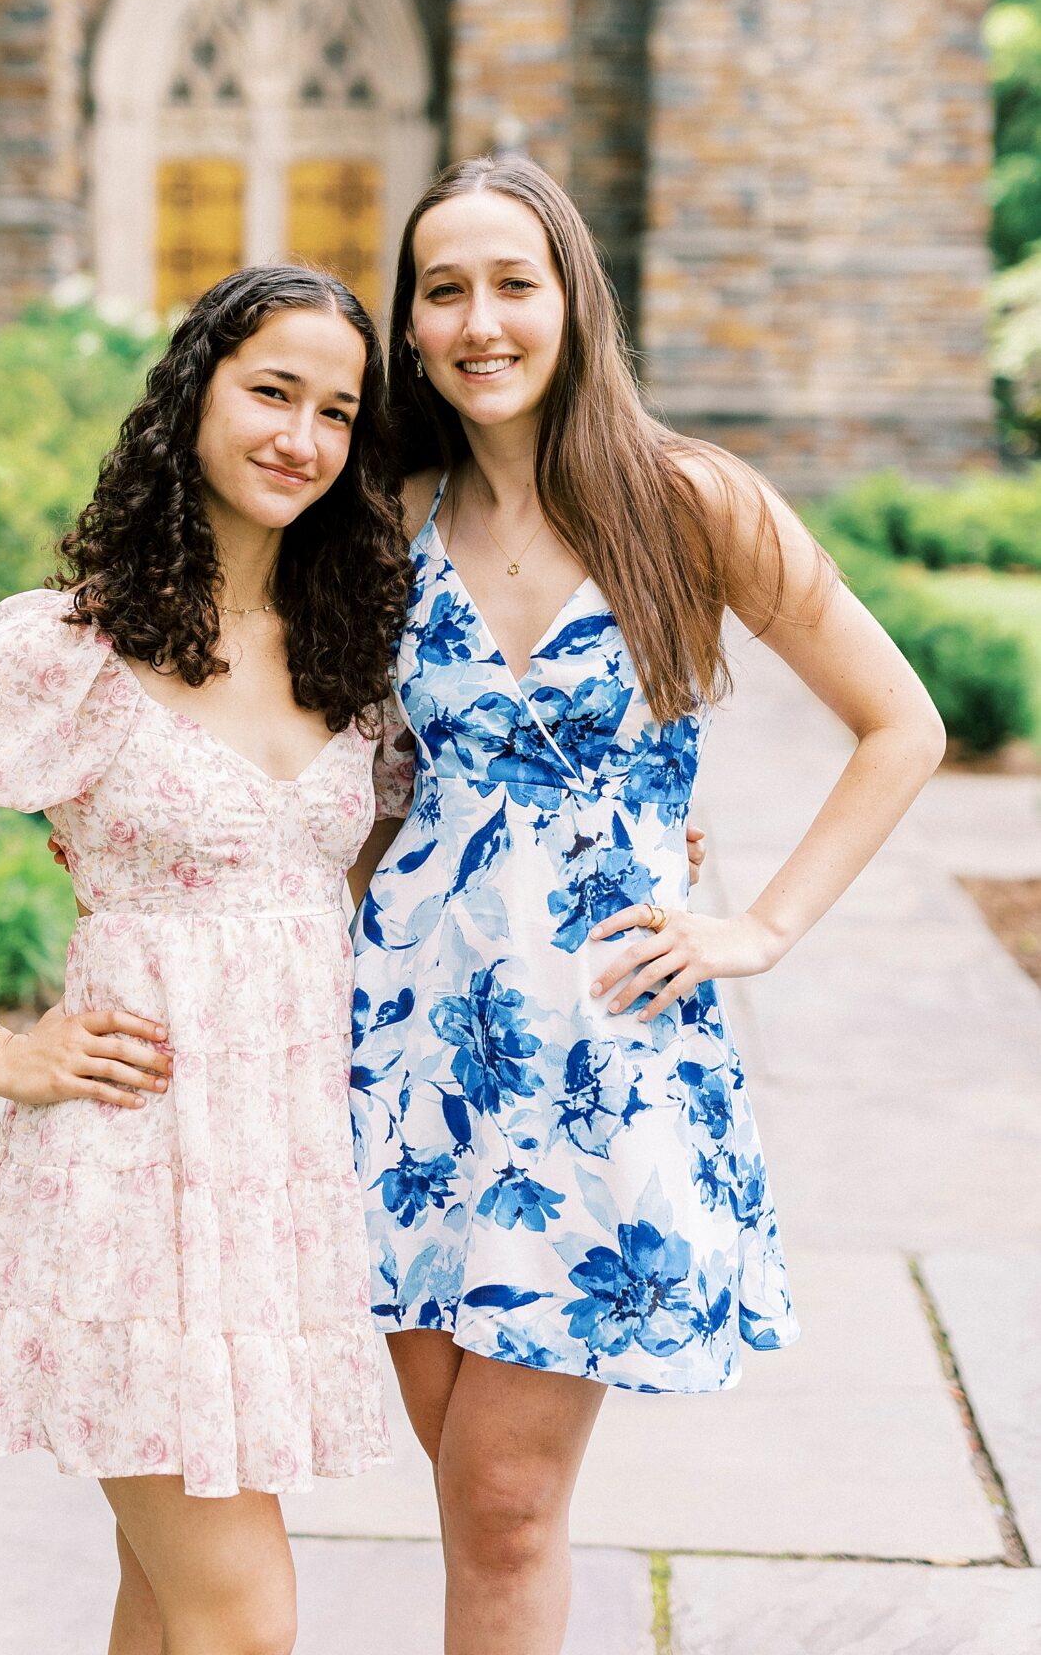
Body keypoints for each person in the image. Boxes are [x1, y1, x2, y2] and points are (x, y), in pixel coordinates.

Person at [343, 155, 948, 1655]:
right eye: (443, 290)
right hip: (407, 1051)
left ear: (571, 303)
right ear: (408, 327)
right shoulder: (379, 515)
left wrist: (758, 926)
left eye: (510, 283)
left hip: (604, 1054)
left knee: (501, 1501)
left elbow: (900, 724)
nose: (479, 320)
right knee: (463, 1487)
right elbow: (332, 763)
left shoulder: (687, 501)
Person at [0, 265, 415, 1655]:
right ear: (193, 394)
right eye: (268, 391)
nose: (299, 437)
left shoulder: (351, 649)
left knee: (169, 1604)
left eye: (334, 411)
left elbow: (339, 892)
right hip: (129, 1184)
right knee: (242, 1622)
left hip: (280, 1186)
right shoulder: (66, 646)